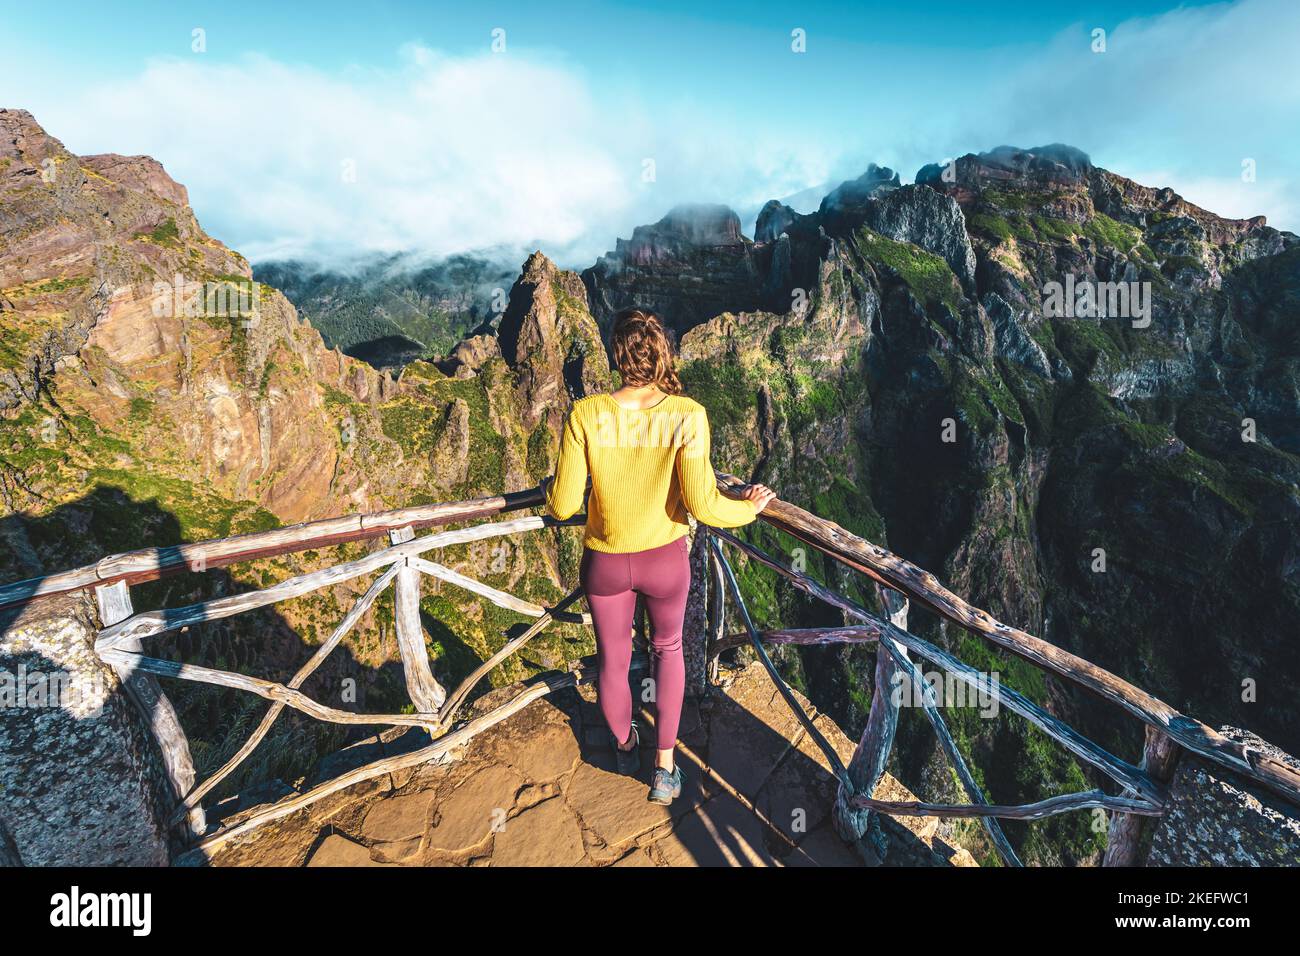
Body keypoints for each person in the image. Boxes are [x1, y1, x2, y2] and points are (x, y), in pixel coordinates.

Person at [543, 307, 775, 804]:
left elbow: (562, 505)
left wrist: (577, 487)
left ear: (617, 357)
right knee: (667, 651)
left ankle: (625, 744)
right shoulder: (687, 416)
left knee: (614, 658)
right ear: (661, 356)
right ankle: (664, 769)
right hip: (665, 559)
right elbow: (703, 505)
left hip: (606, 562)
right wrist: (750, 510)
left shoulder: (586, 415)